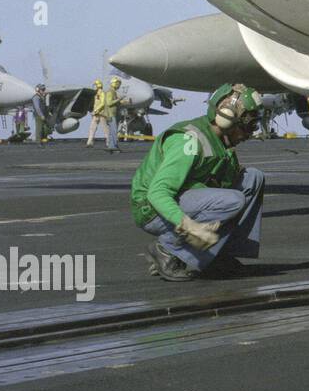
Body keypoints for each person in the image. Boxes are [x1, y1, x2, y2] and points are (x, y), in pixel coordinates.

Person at [131, 83, 266, 282]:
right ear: (227, 119)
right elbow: (157, 193)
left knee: (253, 178)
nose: (250, 133)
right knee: (232, 200)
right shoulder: (189, 141)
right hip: (152, 210)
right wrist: (189, 226)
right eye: (247, 125)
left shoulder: (221, 142)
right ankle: (166, 249)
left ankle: (218, 255)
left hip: (185, 198)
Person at [85, 79, 108, 148]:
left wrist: (96, 109)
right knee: (92, 128)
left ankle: (109, 142)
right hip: (96, 113)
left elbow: (103, 103)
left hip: (101, 113)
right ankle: (89, 142)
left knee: (105, 129)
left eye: (95, 85)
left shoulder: (102, 93)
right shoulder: (96, 93)